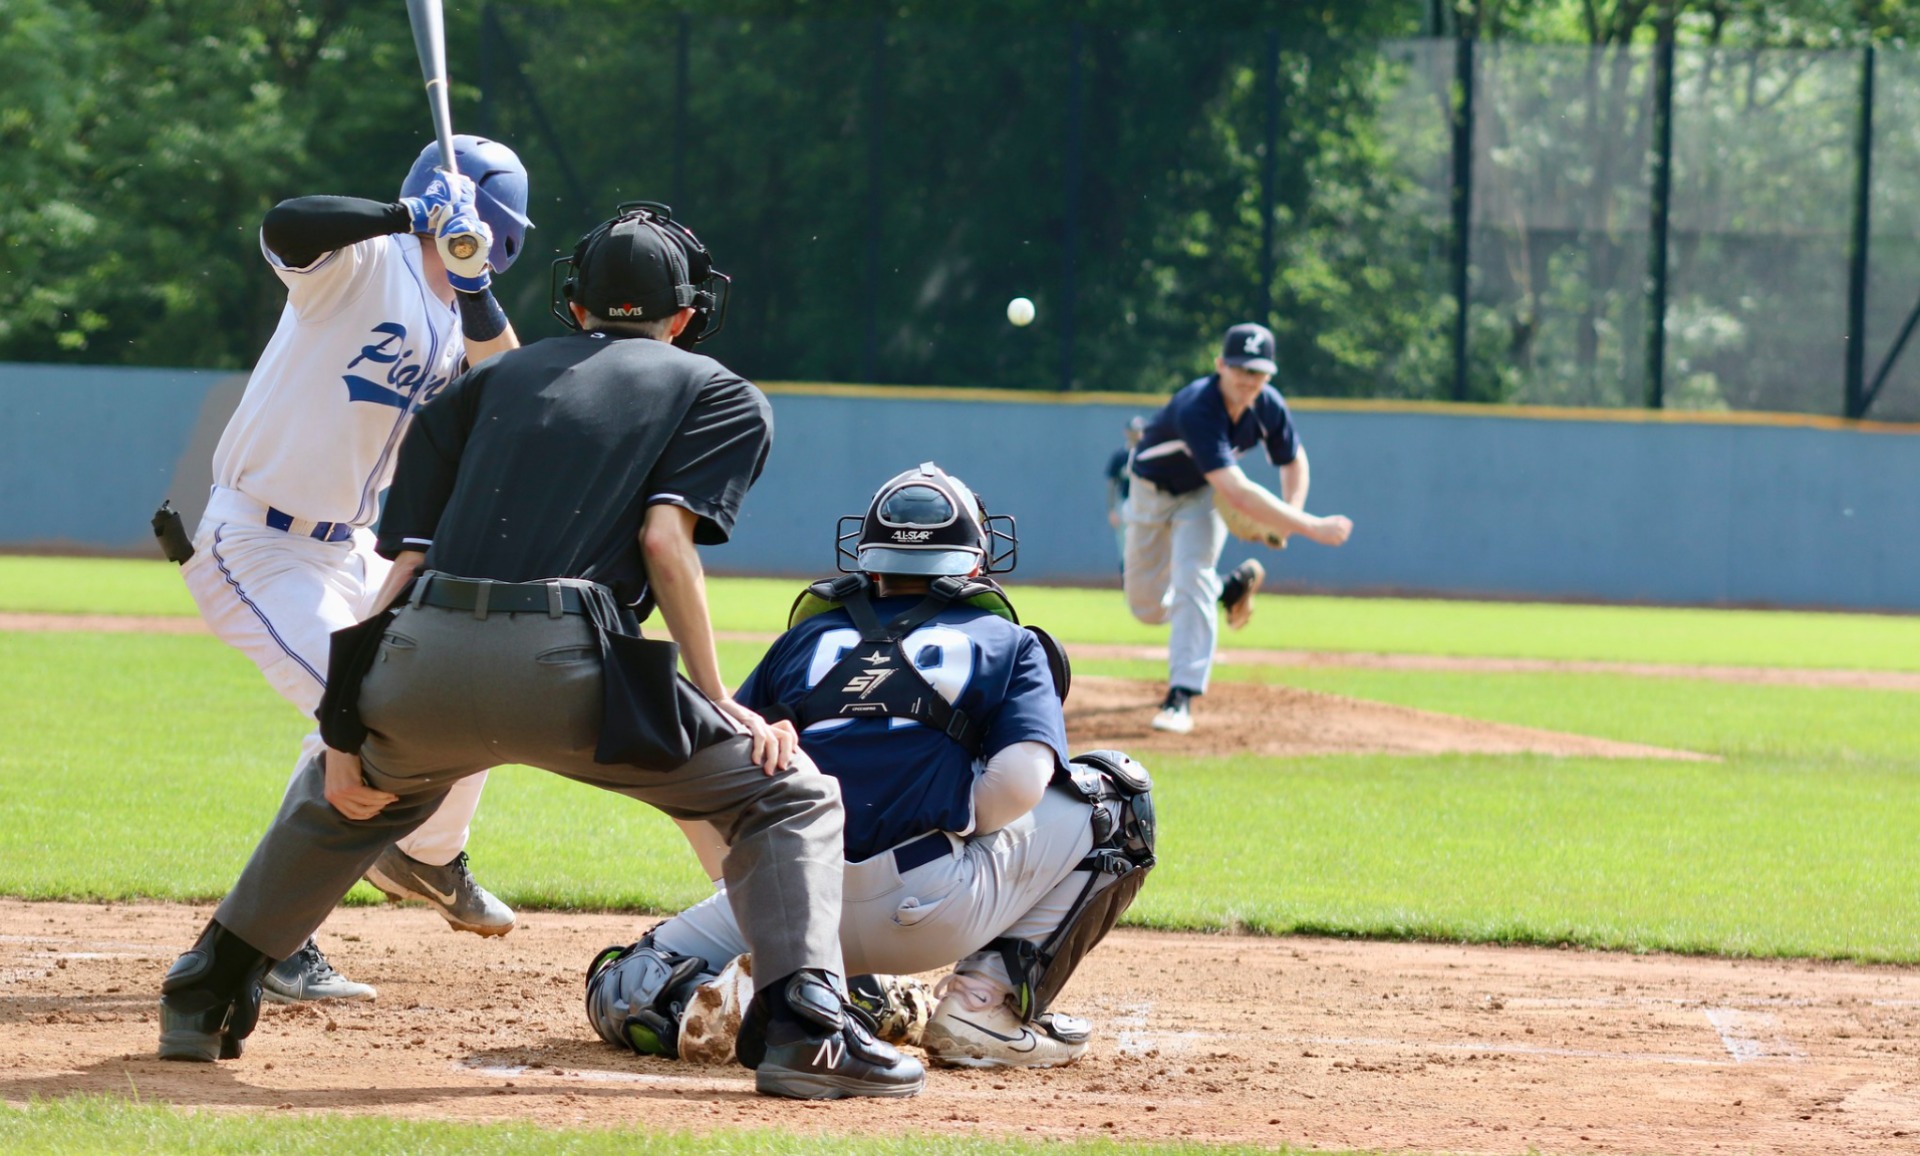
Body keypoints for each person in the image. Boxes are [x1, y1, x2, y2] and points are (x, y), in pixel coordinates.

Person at [156, 202, 925, 1102]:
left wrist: (341, 723)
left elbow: (401, 565)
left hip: (423, 655)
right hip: (573, 669)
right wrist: (720, 695)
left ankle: (203, 991)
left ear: (575, 304)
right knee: (788, 795)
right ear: (684, 314)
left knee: (350, 794)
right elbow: (665, 545)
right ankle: (808, 1031)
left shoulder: (485, 384)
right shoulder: (716, 389)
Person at [584, 463, 1157, 1070]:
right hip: (929, 907)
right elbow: (1020, 784)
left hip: (782, 906)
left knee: (621, 982)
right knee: (1120, 795)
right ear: (974, 561)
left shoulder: (799, 644)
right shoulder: (1009, 642)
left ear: (868, 557)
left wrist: (738, 882)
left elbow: (701, 768)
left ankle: (741, 996)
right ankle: (982, 1005)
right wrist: (956, 828)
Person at [169, 135, 532, 1002]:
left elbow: (515, 387)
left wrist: (474, 282)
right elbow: (288, 224)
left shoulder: (457, 312)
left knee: (465, 677)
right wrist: (409, 217)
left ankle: (425, 854)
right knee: (366, 715)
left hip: (349, 550)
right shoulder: (361, 262)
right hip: (257, 544)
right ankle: (276, 939)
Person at [1124, 322, 1354, 735]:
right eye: (1241, 369)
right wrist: (1309, 526)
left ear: (1270, 374)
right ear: (1221, 366)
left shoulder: (1267, 404)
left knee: (1192, 576)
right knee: (1146, 606)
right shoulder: (1199, 406)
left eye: (1259, 372)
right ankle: (1227, 589)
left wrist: (1288, 513)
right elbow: (1239, 491)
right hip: (1151, 492)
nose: (1250, 380)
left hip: (1202, 496)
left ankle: (1181, 696)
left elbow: (1293, 459)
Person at [1103, 416, 1147, 566]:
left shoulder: (1147, 454)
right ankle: (1126, 583)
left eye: (1139, 430)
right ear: (1126, 432)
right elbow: (1112, 484)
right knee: (1124, 548)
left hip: (1145, 504)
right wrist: (1111, 509)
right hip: (1125, 503)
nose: (1137, 434)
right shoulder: (1120, 456)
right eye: (1133, 430)